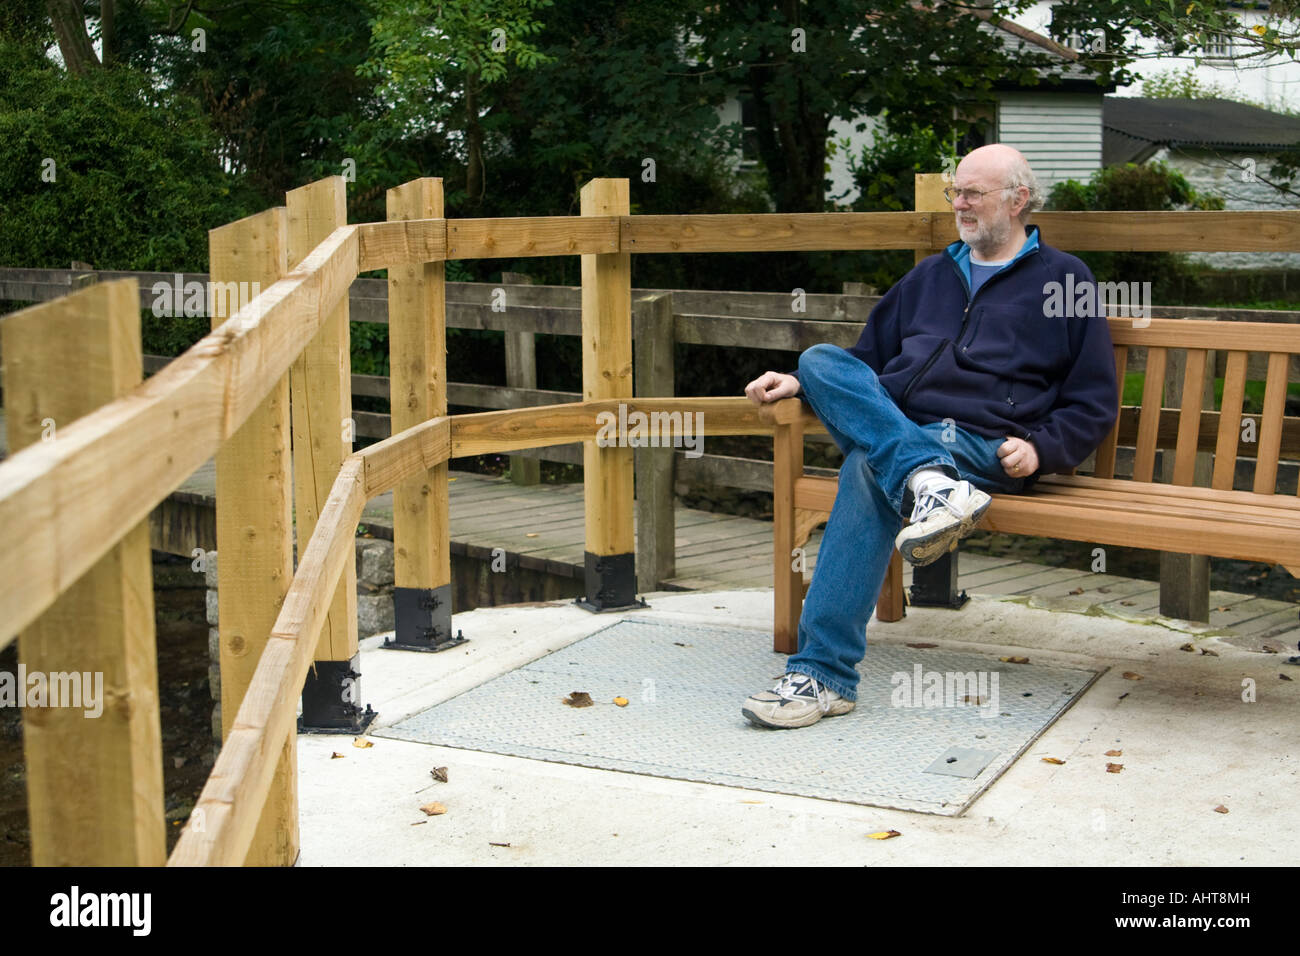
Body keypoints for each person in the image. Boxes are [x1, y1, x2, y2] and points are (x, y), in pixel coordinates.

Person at [740, 144, 1118, 729]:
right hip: (909, 431)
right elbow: (862, 366)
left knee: (866, 468)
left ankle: (822, 674)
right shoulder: (929, 276)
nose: (960, 206)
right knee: (818, 358)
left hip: (986, 444)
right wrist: (795, 383)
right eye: (955, 193)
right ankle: (928, 481)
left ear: (1018, 200)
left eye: (974, 194)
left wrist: (1043, 447)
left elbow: (1093, 400)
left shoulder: (1066, 280)